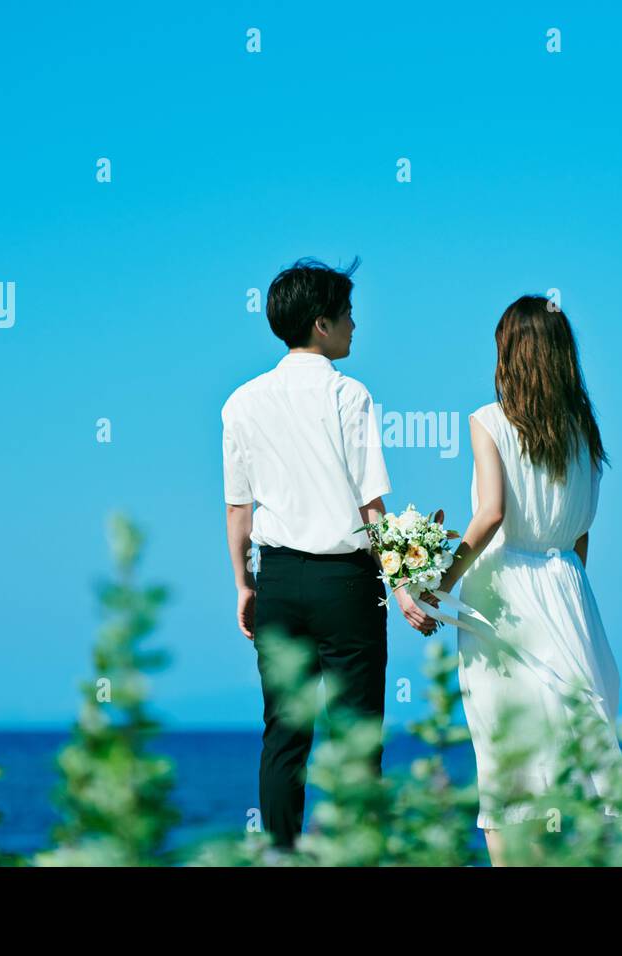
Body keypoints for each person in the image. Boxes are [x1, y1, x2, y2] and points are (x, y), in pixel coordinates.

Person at [221, 257, 434, 850]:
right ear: (321, 323)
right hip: (347, 584)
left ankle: (281, 858)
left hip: (279, 581)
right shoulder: (350, 395)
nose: (355, 326)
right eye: (347, 315)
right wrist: (404, 584)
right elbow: (372, 507)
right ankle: (357, 855)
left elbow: (238, 511)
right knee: (358, 734)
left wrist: (244, 585)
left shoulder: (240, 403)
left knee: (284, 735)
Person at [433, 294, 622, 866]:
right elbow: (581, 534)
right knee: (580, 746)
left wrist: (437, 584)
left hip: (504, 595)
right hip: (570, 593)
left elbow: (490, 513)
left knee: (509, 757)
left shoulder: (489, 421)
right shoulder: (585, 433)